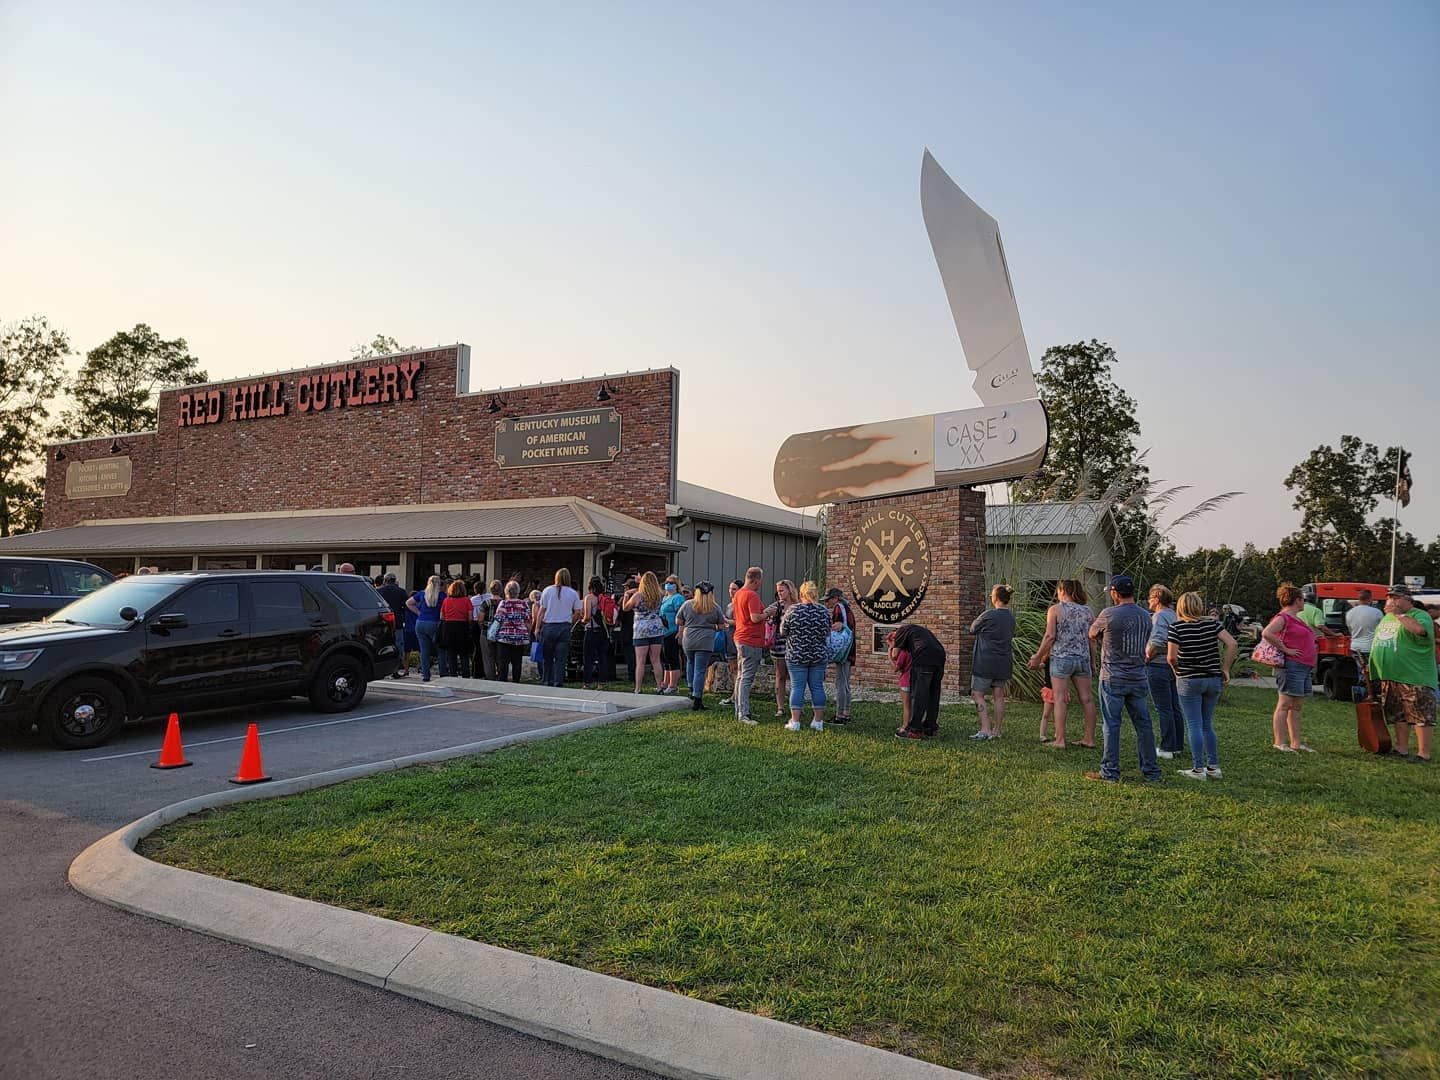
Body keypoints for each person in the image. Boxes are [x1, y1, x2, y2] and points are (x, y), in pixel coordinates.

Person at [1085, 575, 1162, 784]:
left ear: (1115, 593)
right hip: (1138, 677)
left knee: (1111, 724)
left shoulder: (1108, 614)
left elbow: (1092, 633)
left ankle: (1110, 771)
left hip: (1112, 677)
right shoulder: (1146, 616)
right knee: (1144, 725)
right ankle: (1151, 771)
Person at [1168, 591, 1238, 781]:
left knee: (1194, 724)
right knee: (1207, 724)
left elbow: (1171, 657)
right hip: (1212, 679)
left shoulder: (1176, 628)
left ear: (1180, 607)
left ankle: (1198, 769)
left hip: (1189, 679)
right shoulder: (1213, 624)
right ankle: (1213, 767)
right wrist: (1225, 668)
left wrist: (1176, 671)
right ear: (1199, 606)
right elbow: (1232, 643)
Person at [1369, 584, 1437, 764]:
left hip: (1414, 675)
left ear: (1408, 600)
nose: (1391, 600)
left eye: (1396, 597)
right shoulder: (1386, 618)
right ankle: (1401, 748)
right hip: (1391, 675)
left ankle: (1424, 753)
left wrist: (1399, 615)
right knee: (1397, 714)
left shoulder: (1419, 616)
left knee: (1421, 715)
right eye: (1390, 597)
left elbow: (1420, 632)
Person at [1026, 580, 1097, 749]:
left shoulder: (1055, 610)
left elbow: (1050, 636)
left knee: (1059, 699)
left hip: (1061, 658)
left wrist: (1038, 657)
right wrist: (1093, 662)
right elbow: (1092, 640)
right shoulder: (1088, 612)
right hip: (1082, 658)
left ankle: (1060, 740)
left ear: (1063, 590)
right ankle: (1089, 739)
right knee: (1087, 699)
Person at [1261, 583, 1321, 753]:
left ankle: (1296, 742)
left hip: (1303, 666)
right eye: (1302, 599)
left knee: (1296, 706)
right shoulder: (1283, 618)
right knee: (1285, 703)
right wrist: (1286, 649)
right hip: (1291, 666)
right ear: (1297, 600)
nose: (1305, 602)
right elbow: (1267, 633)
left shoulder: (1297, 619)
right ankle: (1279, 742)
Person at [779, 581, 832, 731]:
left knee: (797, 687)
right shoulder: (823, 611)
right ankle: (818, 722)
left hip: (796, 655)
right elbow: (828, 632)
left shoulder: (793, 610)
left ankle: (795, 722)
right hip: (818, 655)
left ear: (801, 594)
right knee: (817, 687)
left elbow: (783, 631)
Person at [967, 584, 1016, 739]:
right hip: (1003, 661)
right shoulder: (1011, 617)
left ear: (995, 598)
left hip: (985, 661)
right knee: (999, 696)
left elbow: (973, 629)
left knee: (977, 694)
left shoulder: (988, 615)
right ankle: (997, 730)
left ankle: (985, 729)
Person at [732, 566, 778, 725]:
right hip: (750, 640)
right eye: (760, 581)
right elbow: (755, 618)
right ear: (756, 580)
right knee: (746, 677)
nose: (760, 584)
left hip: (740, 637)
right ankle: (743, 714)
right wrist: (768, 613)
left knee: (740, 675)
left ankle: (739, 709)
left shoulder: (738, 594)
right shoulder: (751, 595)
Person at [1145, 584, 1183, 759]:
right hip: (1173, 666)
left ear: (1157, 599)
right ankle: (1177, 744)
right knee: (1175, 707)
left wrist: (1147, 657)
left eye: (1150, 598)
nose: (1148, 601)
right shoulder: (1175, 615)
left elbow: (1158, 640)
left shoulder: (1159, 617)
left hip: (1158, 665)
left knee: (1163, 708)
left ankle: (1167, 747)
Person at [676, 581, 725, 710]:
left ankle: (691, 688)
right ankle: (697, 698)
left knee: (690, 663)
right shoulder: (715, 607)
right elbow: (721, 625)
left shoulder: (687, 604)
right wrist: (711, 626)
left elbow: (678, 620)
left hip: (689, 639)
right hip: (705, 640)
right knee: (700, 669)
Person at [891, 623, 946, 739]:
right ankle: (930, 727)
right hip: (940, 656)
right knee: (933, 693)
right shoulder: (918, 631)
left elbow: (895, 655)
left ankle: (914, 730)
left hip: (924, 658)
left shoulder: (901, 631)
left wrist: (891, 645)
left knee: (919, 694)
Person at [537, 569, 583, 687]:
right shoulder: (573, 593)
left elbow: (541, 611)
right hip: (564, 627)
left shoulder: (547, 591)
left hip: (548, 626)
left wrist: (537, 627)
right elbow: (578, 612)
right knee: (561, 659)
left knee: (547, 658)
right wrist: (570, 623)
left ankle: (546, 680)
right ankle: (558, 682)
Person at [623, 572, 667, 694]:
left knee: (640, 661)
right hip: (656, 629)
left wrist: (626, 595)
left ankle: (638, 688)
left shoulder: (638, 596)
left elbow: (625, 608)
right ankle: (659, 686)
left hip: (641, 630)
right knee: (656, 660)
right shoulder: (660, 595)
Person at [822, 587, 856, 724]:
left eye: (828, 600)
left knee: (840, 683)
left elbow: (835, 627)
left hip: (843, 651)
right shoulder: (848, 608)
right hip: (850, 650)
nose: (826, 603)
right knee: (846, 682)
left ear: (835, 598)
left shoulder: (838, 608)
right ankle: (846, 712)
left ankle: (839, 714)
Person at [405, 575, 444, 682]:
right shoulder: (441, 595)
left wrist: (418, 612)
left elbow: (408, 603)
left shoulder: (422, 593)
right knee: (440, 650)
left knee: (424, 651)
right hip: (435, 623)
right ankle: (443, 674)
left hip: (421, 622)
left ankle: (426, 675)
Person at [492, 581, 531, 682]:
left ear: (506, 592)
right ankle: (516, 683)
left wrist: (492, 633)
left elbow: (498, 619)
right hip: (519, 638)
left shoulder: (503, 603)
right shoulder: (524, 604)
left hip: (504, 638)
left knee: (503, 663)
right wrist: (527, 633)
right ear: (518, 591)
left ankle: (503, 683)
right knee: (517, 663)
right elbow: (527, 622)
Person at [710, 579, 742, 704]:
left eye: (734, 589)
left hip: (737, 637)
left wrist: (726, 621)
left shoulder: (740, 604)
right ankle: (734, 694)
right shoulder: (730, 605)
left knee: (738, 669)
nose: (731, 591)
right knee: (732, 667)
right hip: (728, 638)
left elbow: (740, 621)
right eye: (730, 588)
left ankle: (737, 695)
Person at [769, 579, 797, 719]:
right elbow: (765, 614)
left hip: (795, 646)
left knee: (795, 677)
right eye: (778, 591)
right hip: (779, 646)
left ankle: (796, 705)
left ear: (789, 591)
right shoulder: (776, 606)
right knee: (780, 676)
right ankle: (780, 707)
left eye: (782, 590)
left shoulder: (797, 606)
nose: (779, 593)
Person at [376, 573, 411, 678]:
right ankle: (396, 669)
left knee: (382, 645)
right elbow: (406, 606)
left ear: (385, 580)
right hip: (398, 623)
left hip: (383, 623)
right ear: (395, 580)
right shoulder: (401, 592)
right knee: (398, 645)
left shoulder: (379, 591)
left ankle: (382, 669)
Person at [1346, 589, 1383, 685]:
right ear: (1370, 599)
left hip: (1356, 647)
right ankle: (1373, 692)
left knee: (1362, 672)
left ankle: (1362, 692)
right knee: (1374, 673)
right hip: (1372, 647)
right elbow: (1382, 629)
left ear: (1358, 599)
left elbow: (1350, 629)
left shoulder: (1350, 613)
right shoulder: (1377, 612)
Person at [437, 579, 472, 678]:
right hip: (462, 627)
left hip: (449, 627)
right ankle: (465, 675)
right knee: (464, 654)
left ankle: (453, 675)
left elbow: (441, 616)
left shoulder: (446, 600)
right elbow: (470, 617)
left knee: (451, 654)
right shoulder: (467, 600)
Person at [581, 576, 610, 689]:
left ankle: (587, 683)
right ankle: (601, 683)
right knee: (602, 658)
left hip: (591, 631)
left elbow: (587, 617)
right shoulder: (604, 598)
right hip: (604, 632)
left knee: (588, 658)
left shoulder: (589, 598)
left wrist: (582, 621)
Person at [659, 574, 686, 695]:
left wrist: (680, 632)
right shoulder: (665, 598)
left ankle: (673, 684)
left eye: (671, 583)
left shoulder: (678, 598)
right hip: (664, 632)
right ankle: (665, 683)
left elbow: (682, 616)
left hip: (673, 631)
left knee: (673, 657)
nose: (668, 585)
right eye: (667, 582)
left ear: (676, 585)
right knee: (665, 658)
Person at [473, 579, 502, 680]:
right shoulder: (504, 603)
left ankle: (490, 677)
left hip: (486, 632)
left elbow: (480, 618)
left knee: (487, 657)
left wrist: (482, 626)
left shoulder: (486, 603)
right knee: (499, 657)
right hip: (500, 633)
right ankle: (501, 676)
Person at [890, 634, 913, 733]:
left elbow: (896, 668)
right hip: (914, 680)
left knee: (906, 706)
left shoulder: (904, 652)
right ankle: (913, 724)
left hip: (905, 681)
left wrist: (889, 655)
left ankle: (905, 726)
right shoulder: (914, 651)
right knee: (913, 705)